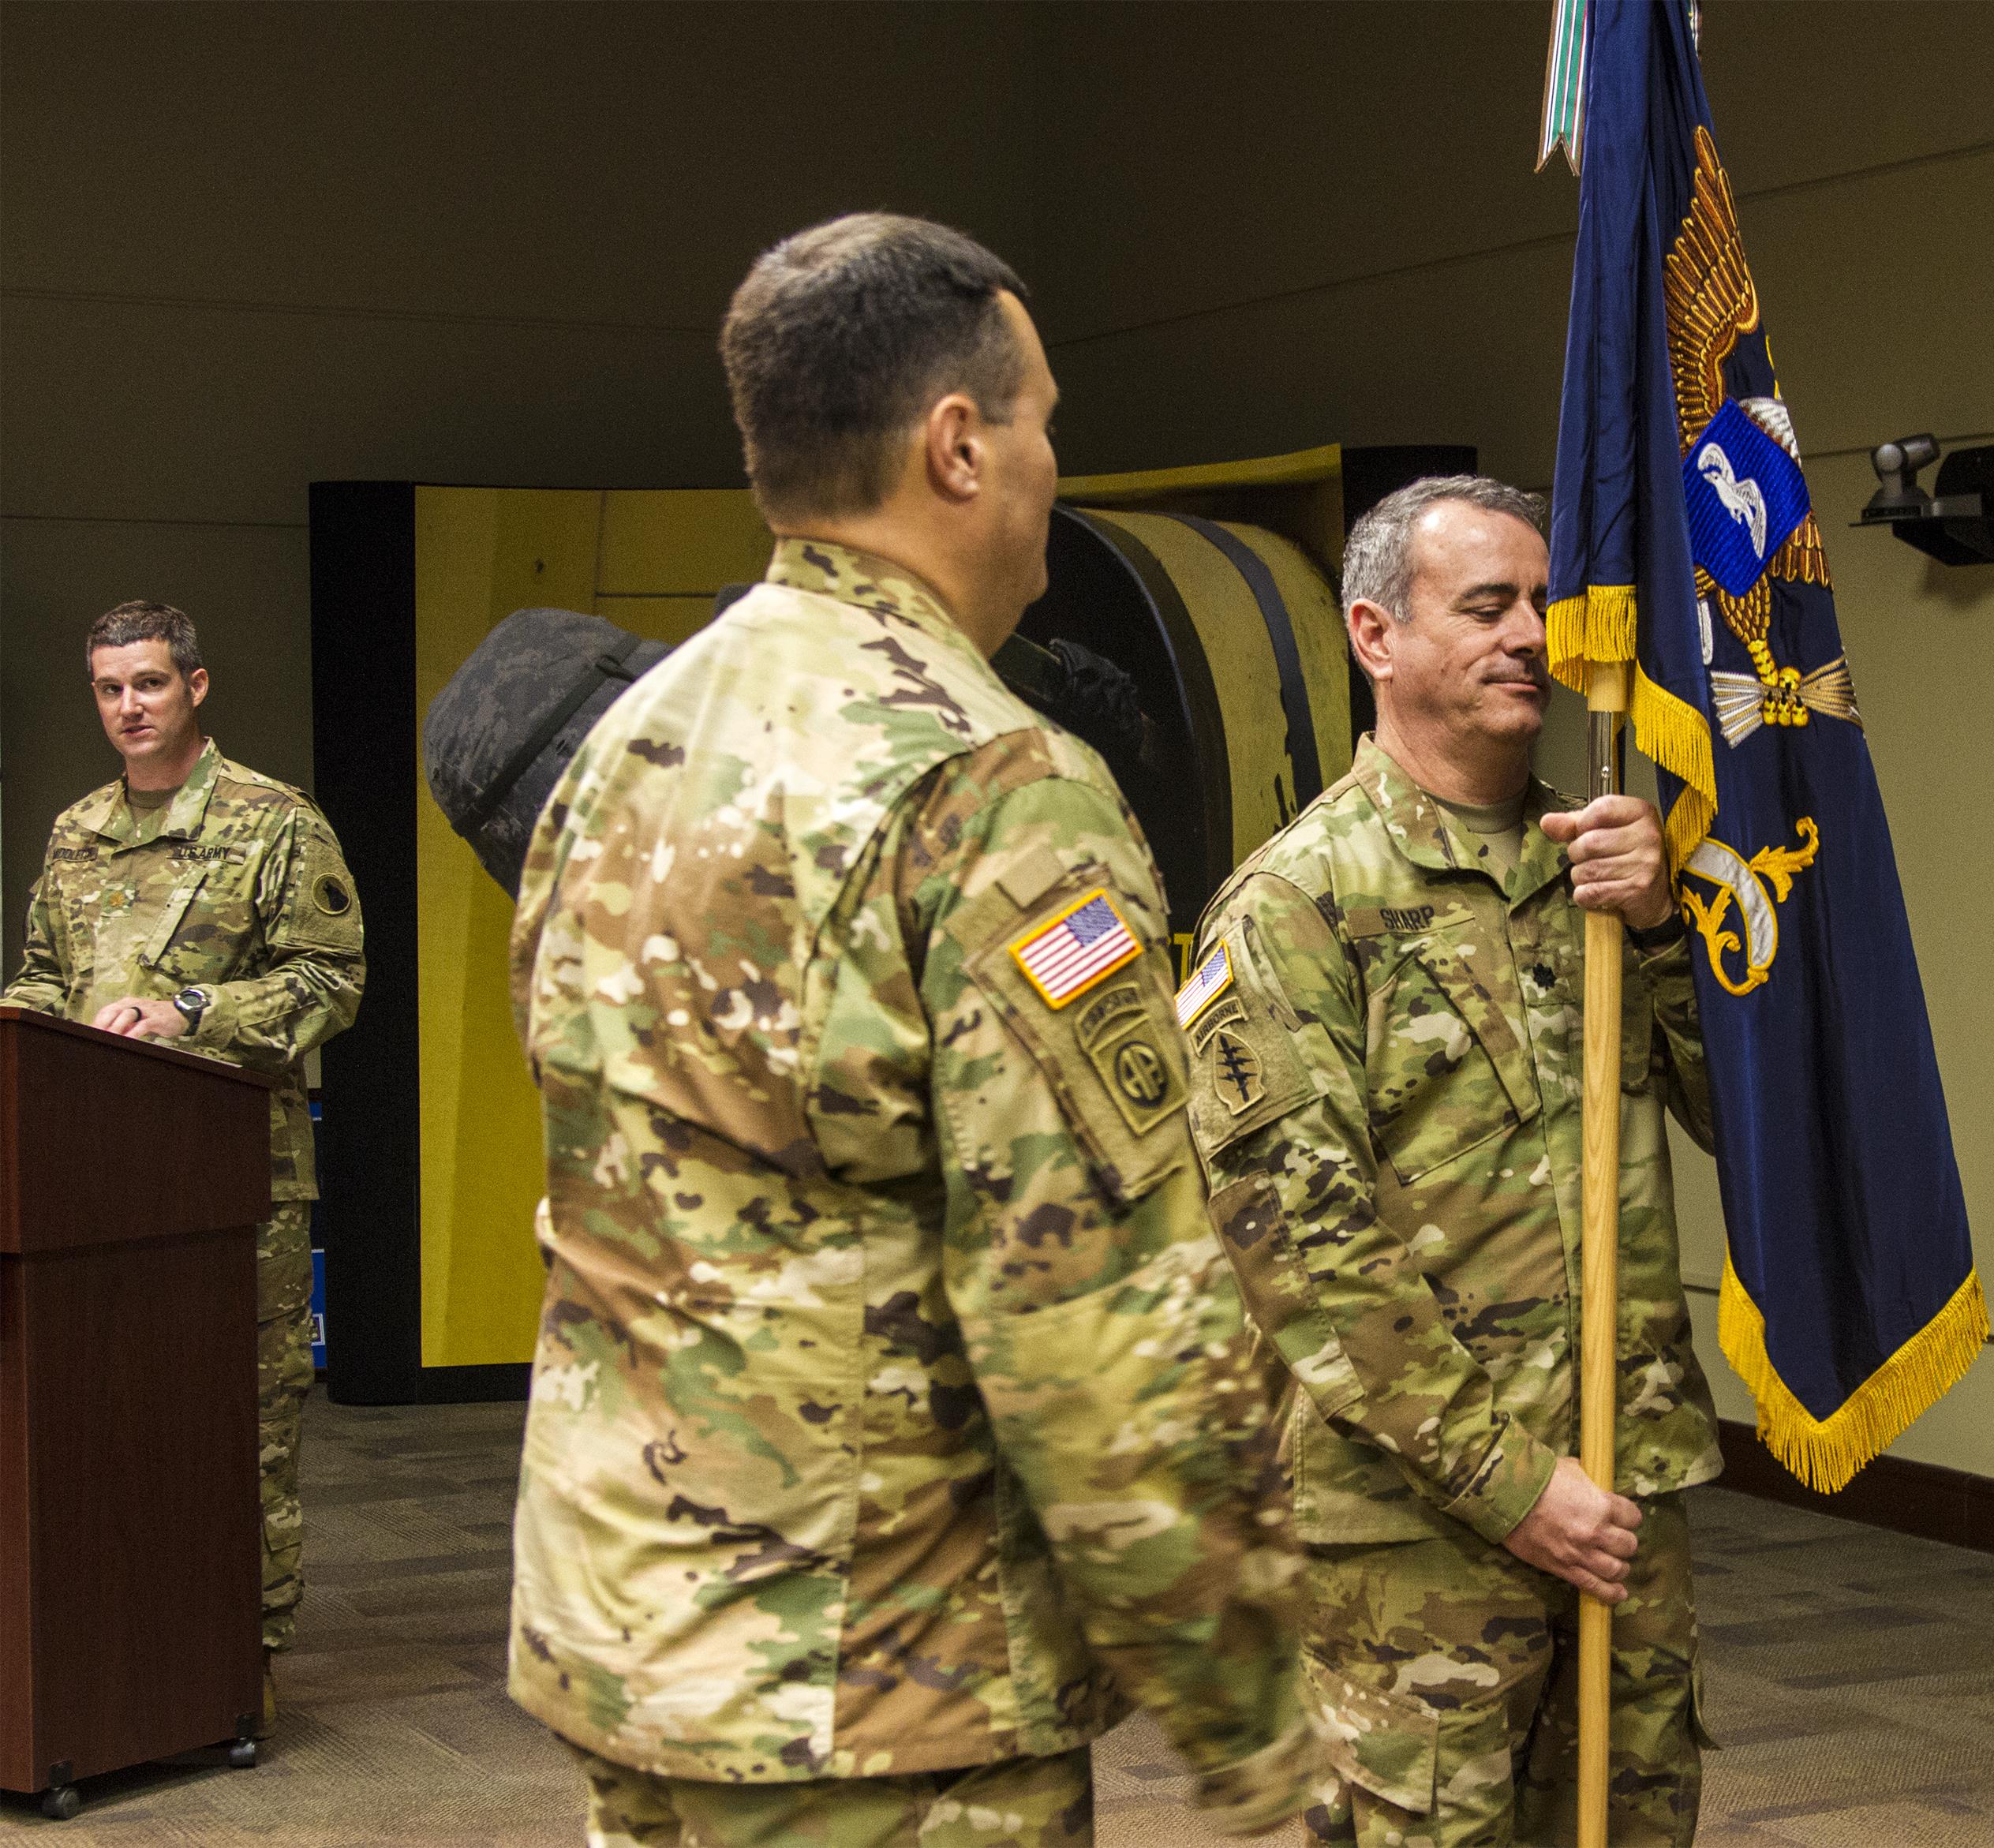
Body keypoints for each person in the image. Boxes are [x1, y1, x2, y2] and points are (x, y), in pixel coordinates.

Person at [506, 213, 1311, 1846]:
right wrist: (1255, 1724)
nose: (1047, 474)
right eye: (1044, 427)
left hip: (626, 1631)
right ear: (957, 446)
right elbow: (1095, 1325)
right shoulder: (994, 790)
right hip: (881, 1694)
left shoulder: (635, 735)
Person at [1180, 477, 1717, 1848]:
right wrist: (1513, 1485)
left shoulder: (1606, 869)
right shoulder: (1296, 905)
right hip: (1419, 1532)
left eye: (1545, 603)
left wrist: (1663, 925)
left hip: (1620, 1488)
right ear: (1376, 633)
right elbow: (1304, 1256)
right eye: (1487, 606)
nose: (1533, 634)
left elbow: (1738, 1118)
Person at [2, 599, 364, 1719]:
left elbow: (330, 983)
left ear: (196, 687)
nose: (128, 708)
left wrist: (188, 1012)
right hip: (86, 1192)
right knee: (101, 1421)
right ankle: (114, 1642)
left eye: (148, 684)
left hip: (234, 1178)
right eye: (109, 688)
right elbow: (41, 979)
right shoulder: (74, 831)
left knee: (241, 1421)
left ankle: (241, 1653)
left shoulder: (275, 822)